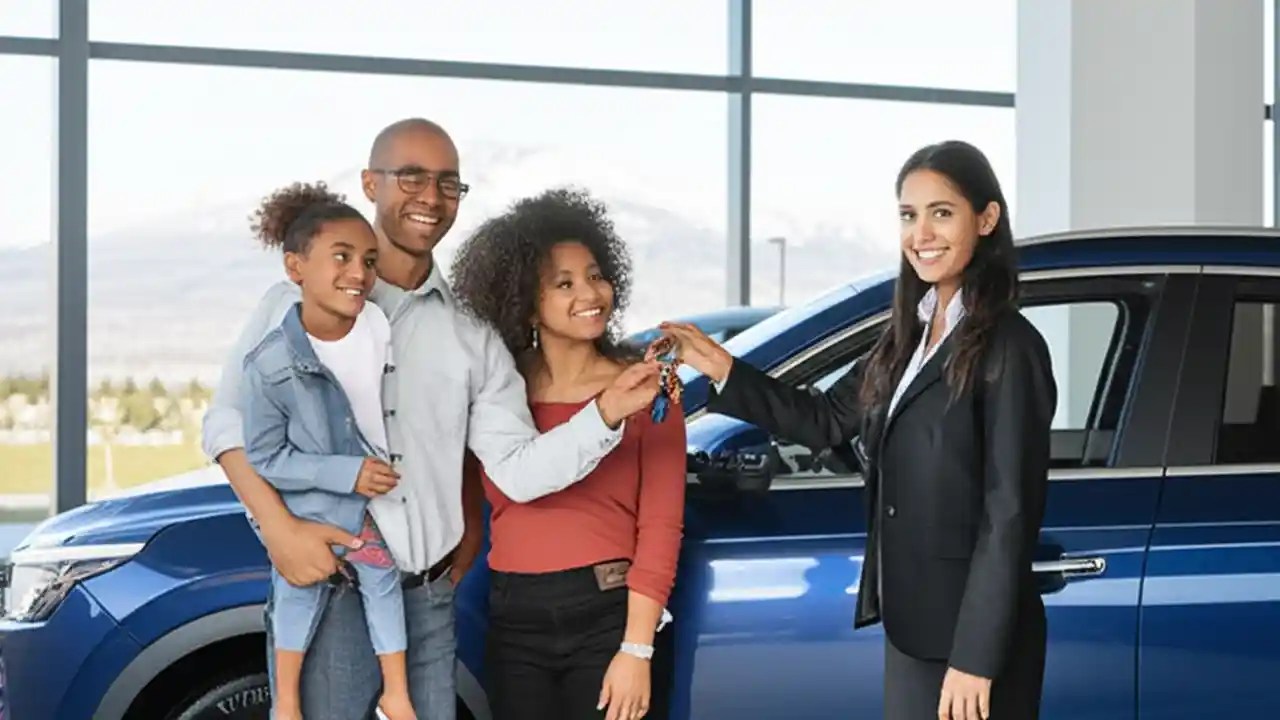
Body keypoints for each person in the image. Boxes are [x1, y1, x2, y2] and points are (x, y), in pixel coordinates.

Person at [202, 119, 662, 719]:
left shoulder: (472, 334)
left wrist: (605, 412)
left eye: (448, 183)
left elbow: (518, 471)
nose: (431, 197)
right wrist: (279, 532)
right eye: (412, 177)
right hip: (330, 594)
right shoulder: (295, 304)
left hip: (427, 599)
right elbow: (227, 425)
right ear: (371, 184)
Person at [654, 140, 1055, 720]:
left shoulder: (1010, 348)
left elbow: (1009, 514)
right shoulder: (908, 337)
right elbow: (824, 419)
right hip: (915, 627)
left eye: (942, 212)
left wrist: (976, 658)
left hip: (971, 644)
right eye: (909, 215)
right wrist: (719, 366)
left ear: (987, 219)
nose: (921, 234)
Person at [450, 188, 686, 720]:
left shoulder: (645, 387)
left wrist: (637, 649)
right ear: (525, 302)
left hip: (610, 615)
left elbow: (662, 526)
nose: (590, 292)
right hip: (513, 619)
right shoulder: (496, 390)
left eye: (596, 275)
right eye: (565, 283)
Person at [238, 183, 416, 720]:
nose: (359, 272)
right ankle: (287, 705)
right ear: (295, 267)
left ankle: (397, 694)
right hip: (313, 513)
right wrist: (346, 473)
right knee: (298, 591)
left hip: (375, 512)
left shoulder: (381, 329)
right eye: (341, 257)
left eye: (368, 260)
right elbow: (265, 457)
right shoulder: (270, 364)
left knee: (383, 582)